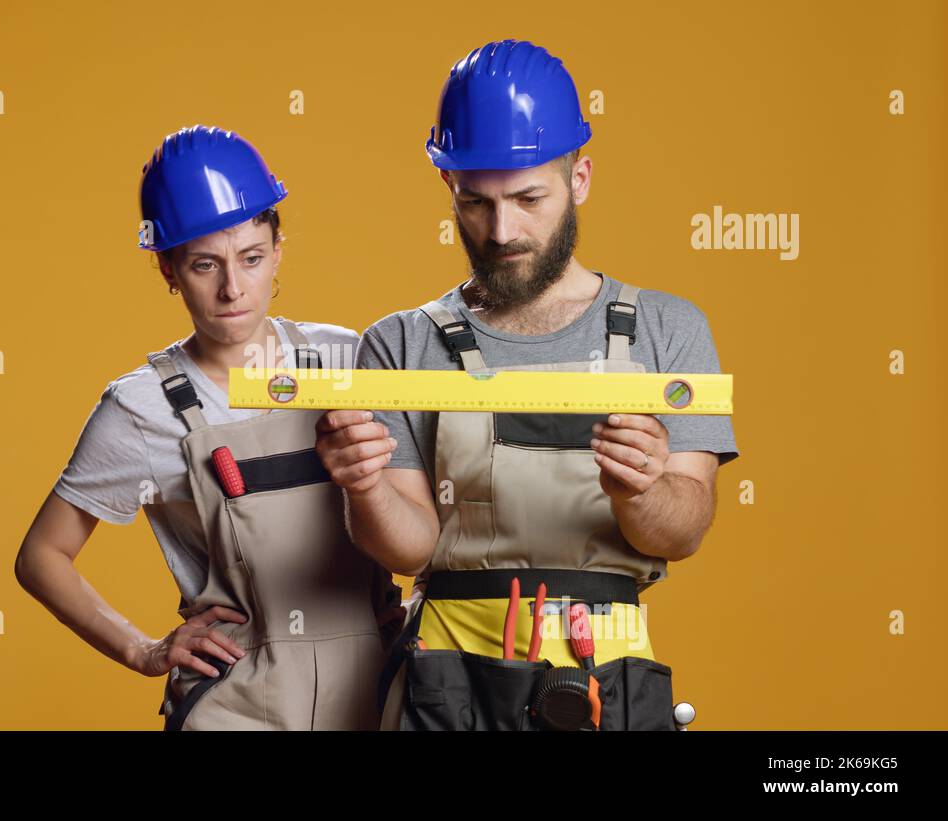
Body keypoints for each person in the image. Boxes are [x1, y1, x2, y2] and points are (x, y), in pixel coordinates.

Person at [314, 39, 740, 730]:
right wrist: (362, 484)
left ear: (581, 179)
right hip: (446, 676)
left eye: (527, 197)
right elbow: (410, 546)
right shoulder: (400, 341)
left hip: (607, 672)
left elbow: (683, 528)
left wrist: (644, 489)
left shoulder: (668, 328)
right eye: (475, 202)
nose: (501, 229)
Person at [15, 125, 397, 730]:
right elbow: (42, 557)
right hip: (238, 704)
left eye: (251, 258)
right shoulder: (143, 408)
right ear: (167, 268)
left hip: (376, 689)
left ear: (278, 249)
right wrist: (143, 651)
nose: (233, 288)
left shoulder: (343, 359)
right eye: (203, 265)